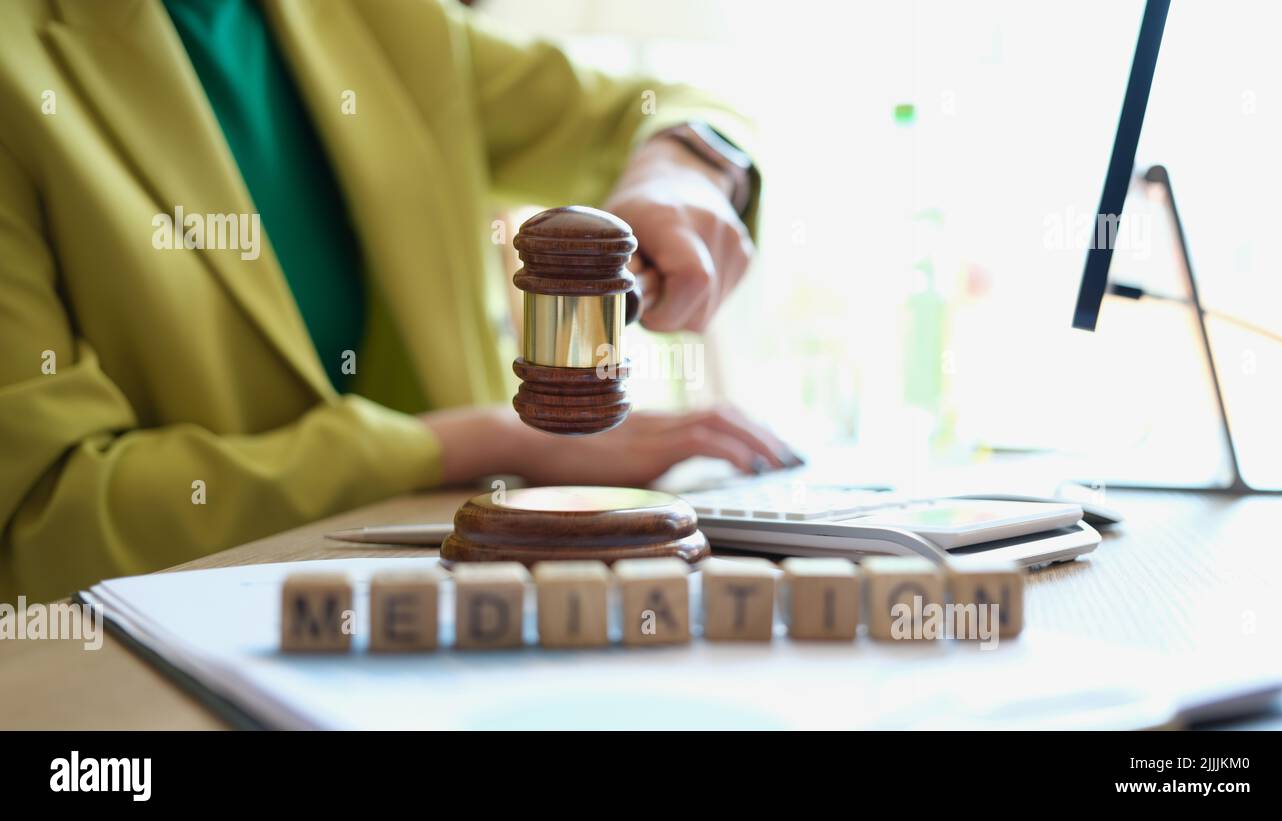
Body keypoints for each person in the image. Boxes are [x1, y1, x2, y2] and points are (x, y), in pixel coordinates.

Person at [0, 0, 792, 603]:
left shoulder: (377, 19)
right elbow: (42, 522)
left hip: (472, 616)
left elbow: (662, 108)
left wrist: (680, 168)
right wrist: (480, 442)